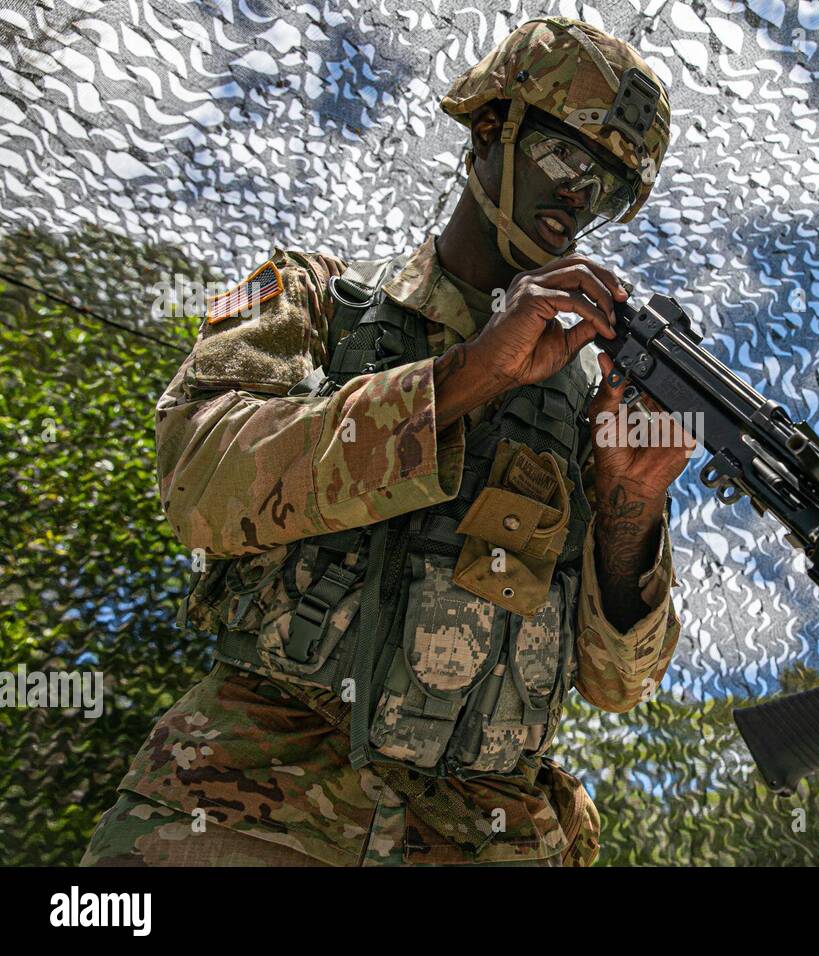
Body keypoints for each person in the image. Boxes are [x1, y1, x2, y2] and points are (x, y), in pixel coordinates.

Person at [83, 15, 689, 867]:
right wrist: (467, 375)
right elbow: (201, 479)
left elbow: (619, 685)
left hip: (490, 835)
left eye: (610, 188)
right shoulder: (307, 299)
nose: (580, 199)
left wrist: (630, 507)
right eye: (566, 159)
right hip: (252, 807)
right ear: (490, 131)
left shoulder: (587, 411)